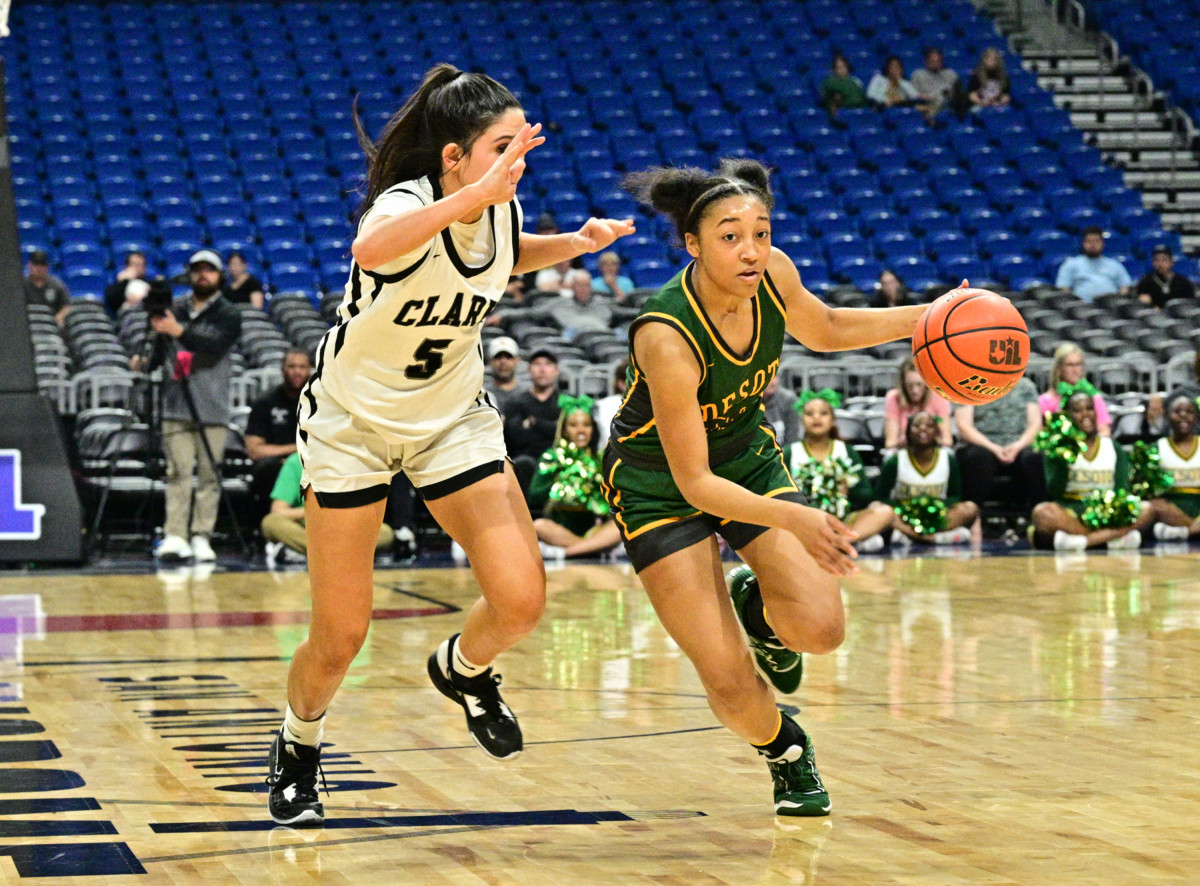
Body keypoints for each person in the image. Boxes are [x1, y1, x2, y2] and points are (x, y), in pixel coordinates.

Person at [264, 63, 634, 827]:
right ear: (454, 158)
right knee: (340, 637)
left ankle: (462, 671)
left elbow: (502, 251)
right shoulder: (409, 202)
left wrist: (575, 242)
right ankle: (299, 742)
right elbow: (373, 249)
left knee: (523, 601)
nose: (515, 162)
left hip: (449, 420)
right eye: (501, 147)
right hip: (352, 426)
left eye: (519, 148)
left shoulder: (497, 206)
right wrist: (475, 196)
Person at [604, 158, 929, 816]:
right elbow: (693, 483)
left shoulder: (773, 275)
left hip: (744, 458)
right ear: (691, 244)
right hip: (657, 486)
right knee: (729, 685)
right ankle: (785, 751)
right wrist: (801, 520)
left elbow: (829, 328)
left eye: (761, 232)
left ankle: (759, 610)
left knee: (821, 629)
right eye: (730, 236)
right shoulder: (666, 335)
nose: (751, 250)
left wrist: (935, 315)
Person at [140, 249, 243, 562]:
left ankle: (202, 535)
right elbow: (160, 350)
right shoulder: (175, 307)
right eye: (197, 270)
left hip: (211, 404)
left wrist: (178, 330)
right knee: (177, 472)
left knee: (210, 475)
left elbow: (213, 345)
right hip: (176, 402)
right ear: (189, 274)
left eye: (209, 270)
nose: (203, 276)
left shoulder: (229, 312)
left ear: (219, 276)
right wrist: (147, 356)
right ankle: (175, 535)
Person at [1031, 390, 1151, 550]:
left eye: (1089, 409)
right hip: (1071, 513)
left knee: (1147, 509)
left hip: (1109, 514)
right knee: (1042, 513)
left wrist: (1112, 514)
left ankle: (1082, 542)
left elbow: (1123, 491)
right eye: (1078, 410)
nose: (1085, 414)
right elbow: (1055, 491)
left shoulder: (1112, 447)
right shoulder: (1057, 448)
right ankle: (1112, 540)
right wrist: (1064, 459)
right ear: (1067, 415)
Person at [782, 390, 893, 552]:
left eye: (823, 413)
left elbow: (867, 494)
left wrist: (849, 489)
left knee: (884, 511)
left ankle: (839, 542)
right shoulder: (790, 453)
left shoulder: (847, 451)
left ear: (833, 419)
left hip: (843, 521)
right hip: (805, 522)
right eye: (809, 413)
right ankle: (849, 542)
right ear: (802, 420)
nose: (816, 418)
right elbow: (778, 495)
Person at [529, 395, 622, 559]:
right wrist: (559, 479)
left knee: (621, 524)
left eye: (586, 425)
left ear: (593, 428)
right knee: (539, 525)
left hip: (596, 529)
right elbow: (534, 496)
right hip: (559, 529)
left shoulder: (601, 458)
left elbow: (615, 500)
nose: (581, 430)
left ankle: (568, 552)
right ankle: (593, 549)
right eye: (573, 425)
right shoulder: (552, 457)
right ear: (564, 429)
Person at [261, 453, 394, 562]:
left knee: (384, 532)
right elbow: (278, 510)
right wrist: (313, 512)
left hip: (342, 528)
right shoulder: (296, 462)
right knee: (271, 522)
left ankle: (308, 555)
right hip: (306, 527)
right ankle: (343, 556)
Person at [878, 411, 980, 545]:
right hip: (905, 516)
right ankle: (938, 537)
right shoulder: (895, 460)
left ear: (937, 433)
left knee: (970, 508)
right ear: (908, 431)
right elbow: (881, 496)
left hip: (938, 516)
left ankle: (912, 536)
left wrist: (935, 511)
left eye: (929, 425)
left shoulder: (948, 459)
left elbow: (955, 495)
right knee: (878, 509)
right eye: (916, 425)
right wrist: (906, 511)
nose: (923, 429)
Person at [954, 375, 1045, 511]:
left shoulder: (1026, 386)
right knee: (976, 457)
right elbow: (964, 426)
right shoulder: (970, 384)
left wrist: (1018, 446)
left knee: (1034, 457)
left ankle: (1040, 519)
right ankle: (973, 521)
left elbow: (1036, 424)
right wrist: (994, 448)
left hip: (1019, 445)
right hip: (983, 445)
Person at [245, 347, 313, 522]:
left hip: (315, 461)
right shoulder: (265, 402)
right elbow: (254, 450)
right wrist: (294, 451)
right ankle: (267, 529)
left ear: (310, 369)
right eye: (291, 366)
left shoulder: (321, 401)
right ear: (282, 369)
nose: (297, 371)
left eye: (302, 366)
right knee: (268, 467)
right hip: (279, 464)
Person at [1147, 393, 1200, 541]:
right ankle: (1193, 530)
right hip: (1171, 510)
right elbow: (1152, 494)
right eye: (1177, 412)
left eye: (1189, 412)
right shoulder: (1157, 447)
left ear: (1196, 417)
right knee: (1155, 505)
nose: (1183, 416)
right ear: (1166, 416)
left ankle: (1184, 532)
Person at [1038, 343, 1112, 437]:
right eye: (1070, 365)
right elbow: (1041, 434)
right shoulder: (1045, 401)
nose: (1075, 370)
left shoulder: (1093, 397)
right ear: (1059, 368)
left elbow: (1104, 431)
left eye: (1078, 364)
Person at [883, 356, 953, 451]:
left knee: (947, 452)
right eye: (910, 385)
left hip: (932, 450)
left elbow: (947, 440)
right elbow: (890, 443)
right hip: (905, 450)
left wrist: (925, 439)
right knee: (889, 454)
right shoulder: (894, 398)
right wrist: (910, 439)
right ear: (903, 385)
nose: (915, 391)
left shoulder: (938, 397)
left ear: (926, 383)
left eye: (919, 384)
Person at [1054, 226, 1131, 302]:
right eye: (1089, 241)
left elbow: (1124, 287)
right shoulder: (1071, 264)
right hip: (1082, 308)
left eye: (1096, 241)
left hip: (1111, 306)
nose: (1093, 245)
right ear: (1083, 243)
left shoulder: (1114, 264)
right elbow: (1063, 288)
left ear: (1102, 243)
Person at [536, 268, 615, 339]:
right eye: (579, 285)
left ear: (591, 288)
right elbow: (533, 313)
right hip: (571, 343)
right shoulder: (558, 303)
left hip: (602, 339)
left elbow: (625, 312)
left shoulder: (603, 303)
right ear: (572, 287)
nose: (583, 289)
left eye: (586, 286)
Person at [1135, 244, 1196, 309]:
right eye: (1156, 260)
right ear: (1153, 263)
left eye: (1164, 260)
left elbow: (1190, 302)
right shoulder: (1146, 281)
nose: (1160, 264)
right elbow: (1141, 300)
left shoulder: (1182, 282)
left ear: (1172, 262)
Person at [911, 46, 963, 121]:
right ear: (926, 61)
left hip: (948, 106)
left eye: (938, 61)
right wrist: (922, 97)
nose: (935, 64)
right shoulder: (918, 75)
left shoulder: (950, 74)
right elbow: (913, 95)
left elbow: (959, 93)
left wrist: (952, 95)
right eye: (932, 61)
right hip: (928, 105)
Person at [23, 250, 71, 326]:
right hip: (27, 324)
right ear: (29, 265)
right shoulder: (21, 285)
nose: (39, 268)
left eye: (42, 265)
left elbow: (66, 306)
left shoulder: (56, 285)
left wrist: (58, 317)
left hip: (51, 325)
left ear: (47, 267)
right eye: (36, 264)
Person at [819, 52, 872, 116]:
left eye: (843, 67)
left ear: (847, 68)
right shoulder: (830, 82)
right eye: (838, 68)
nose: (841, 70)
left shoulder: (856, 81)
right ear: (834, 70)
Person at [594, 357, 629, 451]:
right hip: (610, 457)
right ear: (621, 384)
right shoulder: (604, 405)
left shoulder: (650, 404)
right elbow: (608, 436)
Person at [483, 335, 521, 417]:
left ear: (517, 360)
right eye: (498, 357)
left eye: (508, 357)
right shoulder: (482, 395)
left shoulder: (527, 393)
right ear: (490, 361)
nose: (503, 361)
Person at [103, 250, 149, 317]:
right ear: (127, 266)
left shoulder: (149, 285)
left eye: (140, 265)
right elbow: (112, 303)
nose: (137, 268)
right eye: (133, 264)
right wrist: (124, 282)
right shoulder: (118, 287)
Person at [762, 373, 801, 444]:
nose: (773, 382)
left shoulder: (788, 399)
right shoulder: (748, 402)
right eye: (768, 377)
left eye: (775, 377)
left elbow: (793, 437)